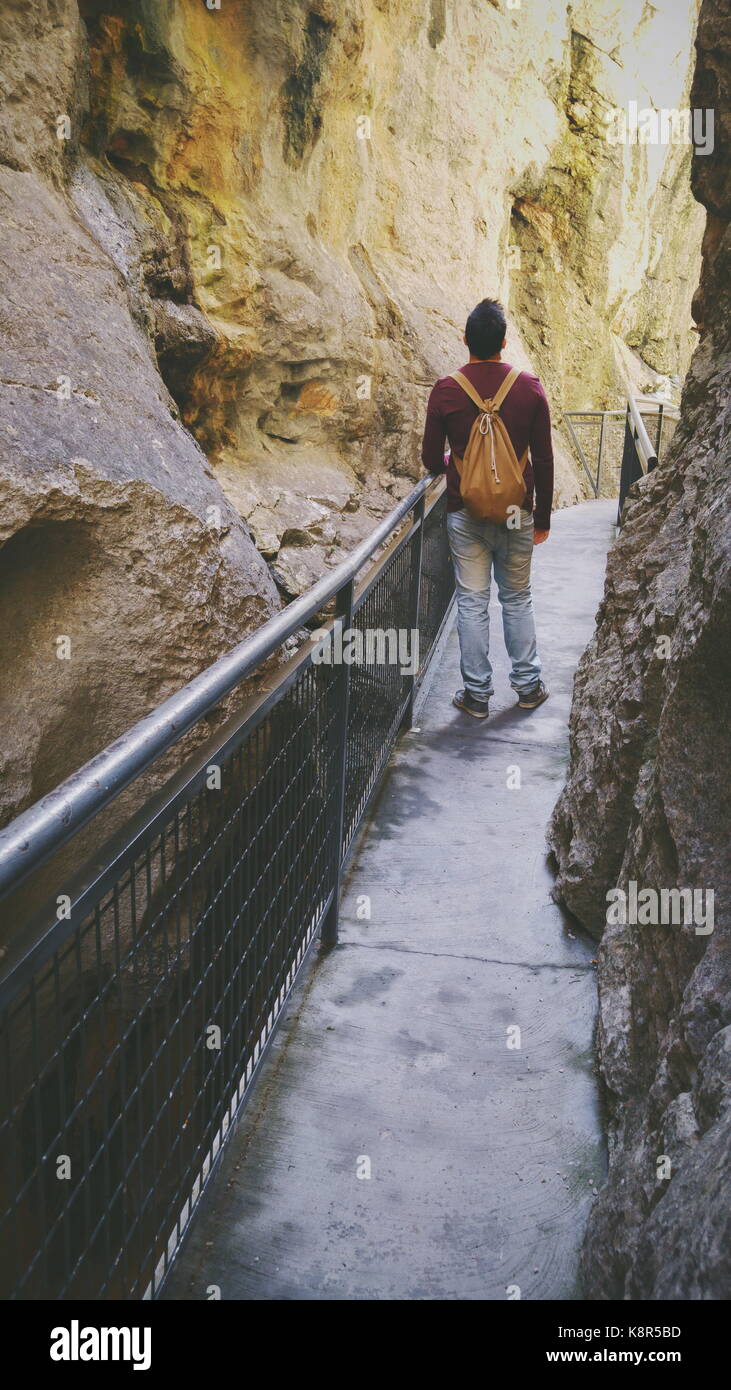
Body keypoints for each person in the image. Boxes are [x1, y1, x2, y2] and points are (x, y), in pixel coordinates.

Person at [421, 297, 553, 719]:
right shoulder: (529, 387)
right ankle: (528, 687)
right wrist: (543, 518)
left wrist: (452, 464)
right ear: (505, 341)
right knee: (516, 599)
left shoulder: (446, 390)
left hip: (466, 511)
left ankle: (477, 695)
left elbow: (430, 458)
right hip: (517, 512)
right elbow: (545, 459)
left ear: (465, 341)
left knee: (472, 602)